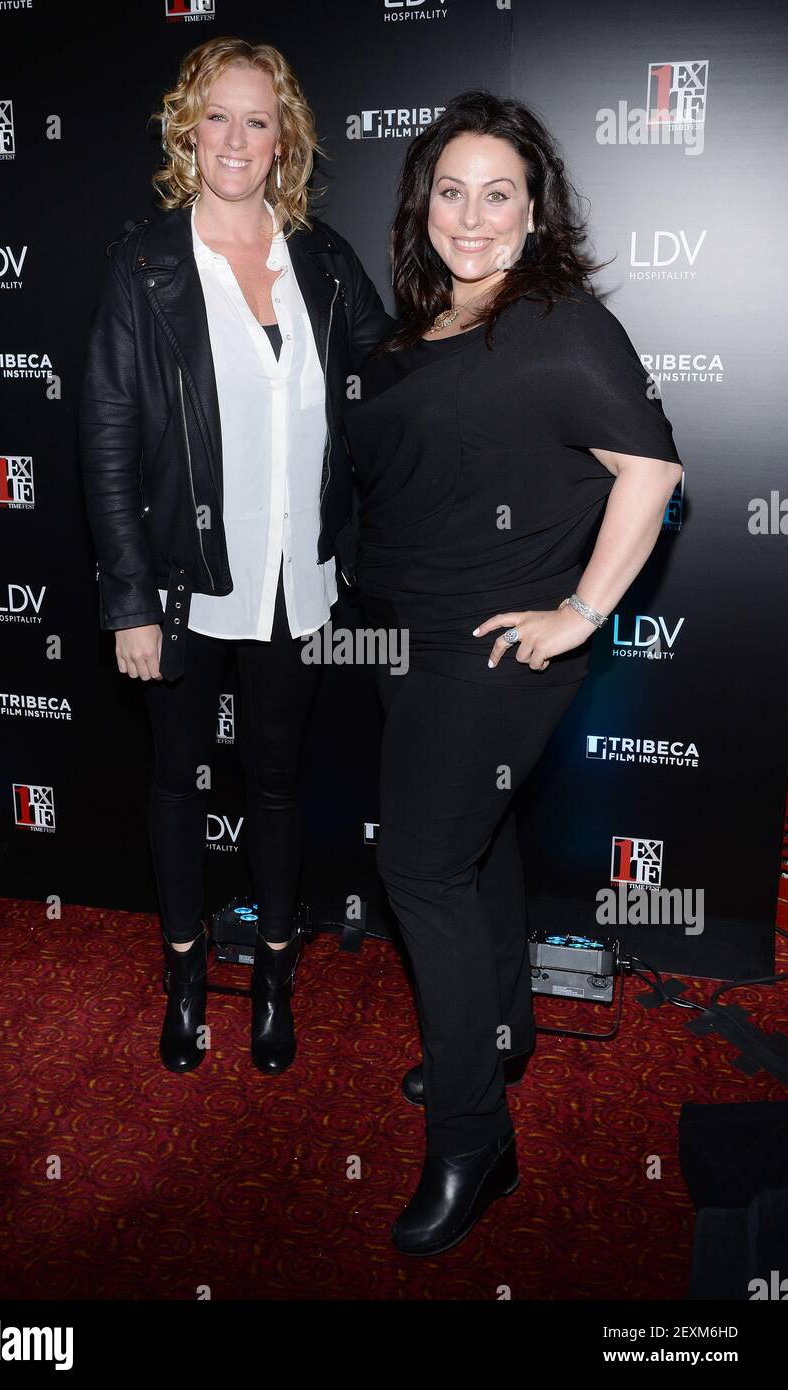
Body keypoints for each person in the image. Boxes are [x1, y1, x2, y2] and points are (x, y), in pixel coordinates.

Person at [343, 91, 684, 1256]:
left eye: (499, 193)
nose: (471, 215)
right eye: (450, 190)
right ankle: (499, 1033)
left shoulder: (560, 322)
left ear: (533, 212)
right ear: (420, 204)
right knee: (472, 850)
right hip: (403, 637)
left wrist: (580, 612)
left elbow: (648, 471)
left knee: (421, 868)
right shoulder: (419, 327)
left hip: (490, 655)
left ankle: (470, 1138)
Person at [78, 37, 392, 1079]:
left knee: (276, 782)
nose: (235, 139)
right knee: (175, 777)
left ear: (283, 139)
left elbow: (385, 395)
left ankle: (269, 978)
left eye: (257, 119)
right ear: (187, 127)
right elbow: (110, 439)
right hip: (177, 583)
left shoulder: (324, 260)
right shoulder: (146, 265)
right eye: (217, 115)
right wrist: (128, 599)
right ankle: (180, 978)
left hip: (295, 583)